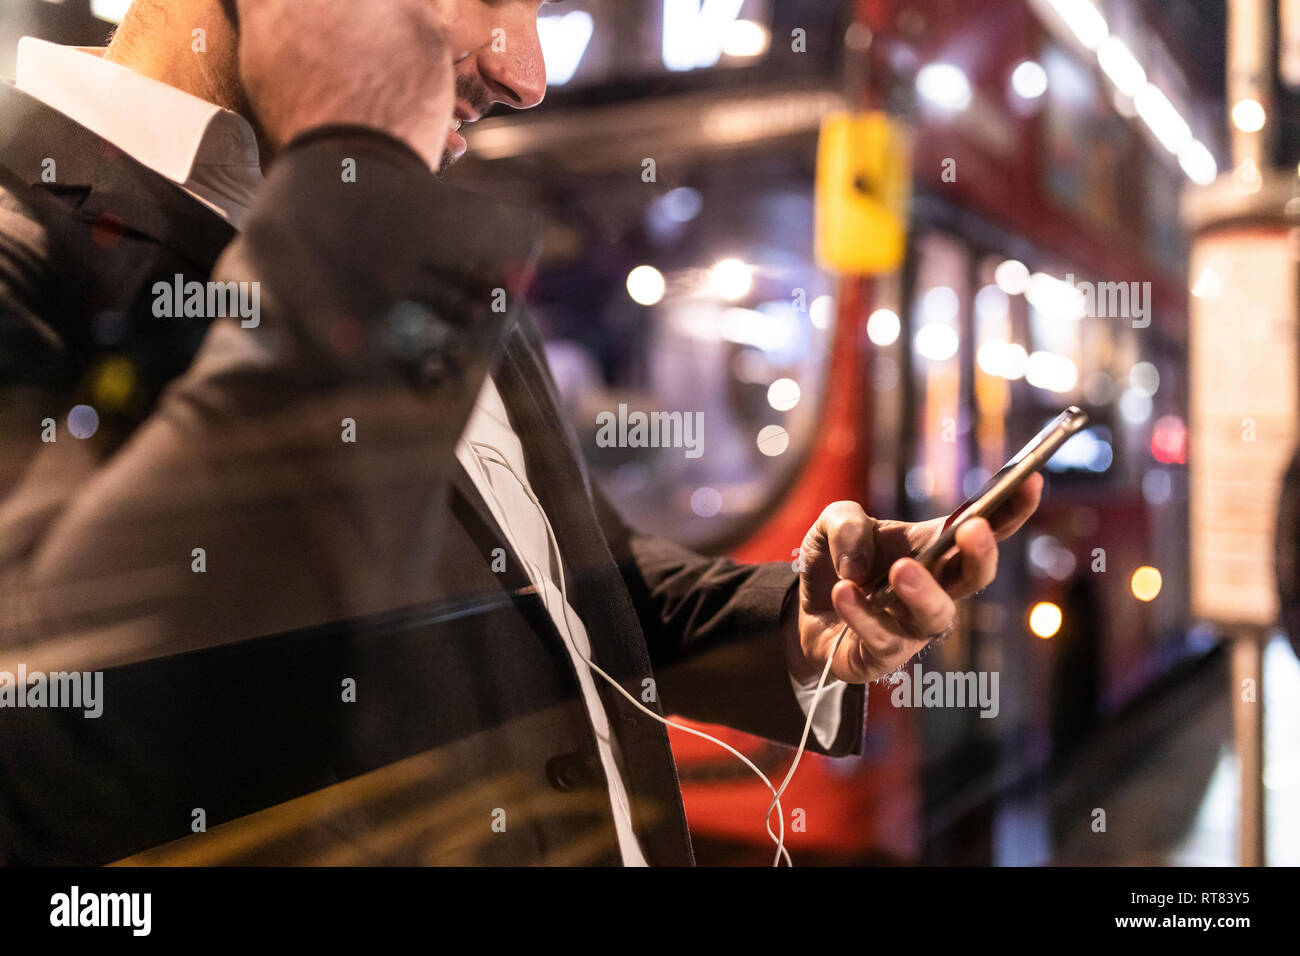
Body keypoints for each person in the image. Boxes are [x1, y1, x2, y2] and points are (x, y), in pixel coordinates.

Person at [0, 0, 1041, 865]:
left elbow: (565, 579)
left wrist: (799, 632)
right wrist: (353, 169)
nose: (529, 71)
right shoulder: (32, 237)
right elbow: (73, 755)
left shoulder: (416, 234)